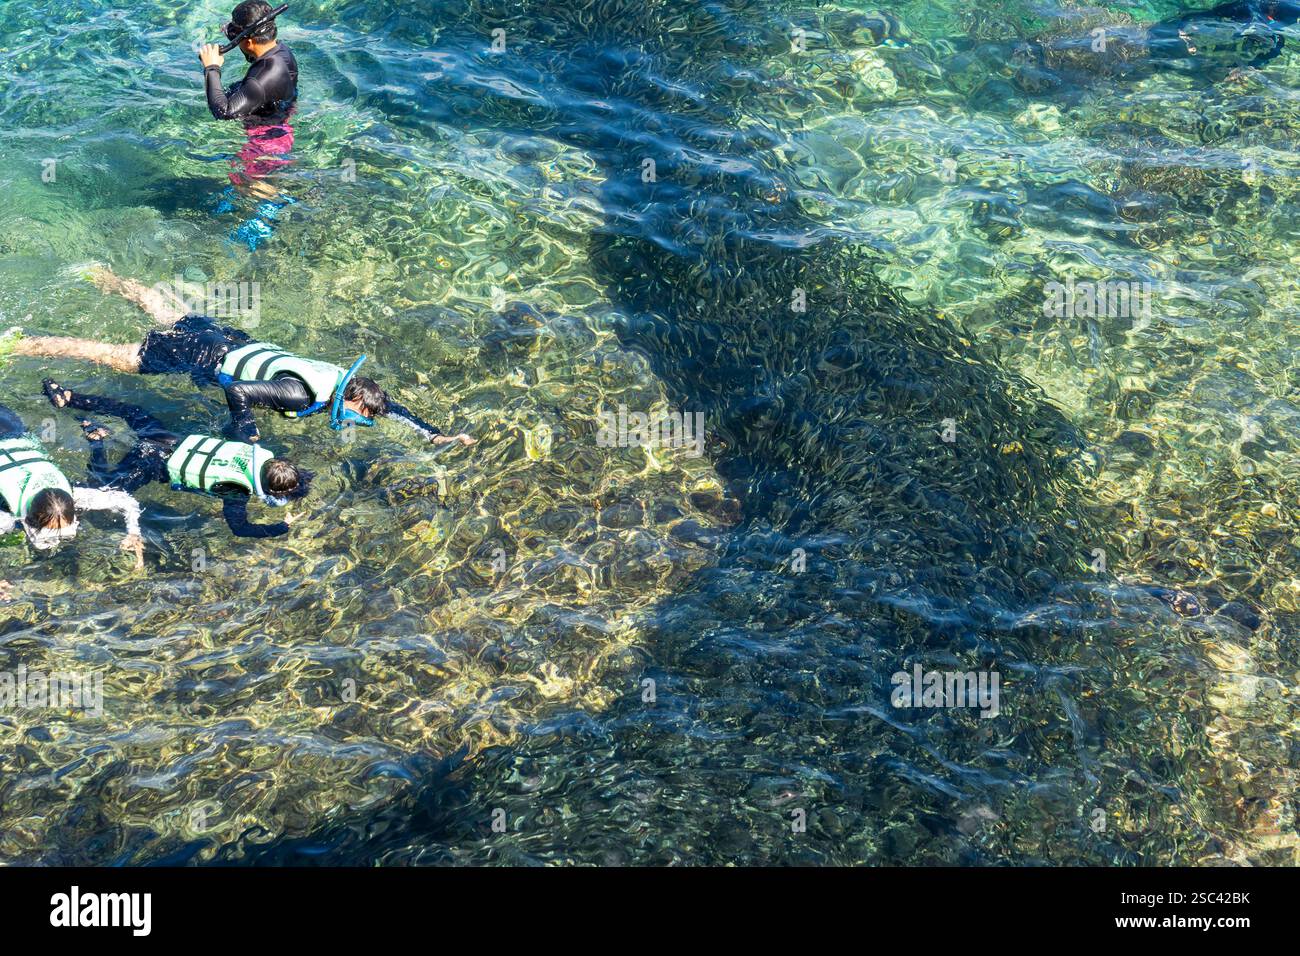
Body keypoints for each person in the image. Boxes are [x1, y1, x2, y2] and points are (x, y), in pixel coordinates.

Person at [8, 266, 476, 447]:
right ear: (352, 401)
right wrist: (246, 431)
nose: (363, 418)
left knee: (167, 309)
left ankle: (100, 275)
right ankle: (25, 345)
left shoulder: (345, 380)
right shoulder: (298, 394)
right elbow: (236, 390)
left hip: (228, 337)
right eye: (362, 415)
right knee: (117, 356)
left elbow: (390, 408)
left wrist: (433, 434)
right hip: (208, 356)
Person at [41, 381, 310, 540]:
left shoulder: (252, 449)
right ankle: (96, 440)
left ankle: (71, 398)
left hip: (167, 439)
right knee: (103, 490)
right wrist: (281, 527)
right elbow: (239, 528)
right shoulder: (236, 490)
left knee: (132, 411)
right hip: (152, 463)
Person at [0, 398, 143, 566]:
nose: (55, 540)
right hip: (12, 432)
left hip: (14, 433)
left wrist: (134, 533)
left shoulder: (77, 495)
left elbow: (126, 501)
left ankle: (95, 438)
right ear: (29, 519)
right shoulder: (5, 519)